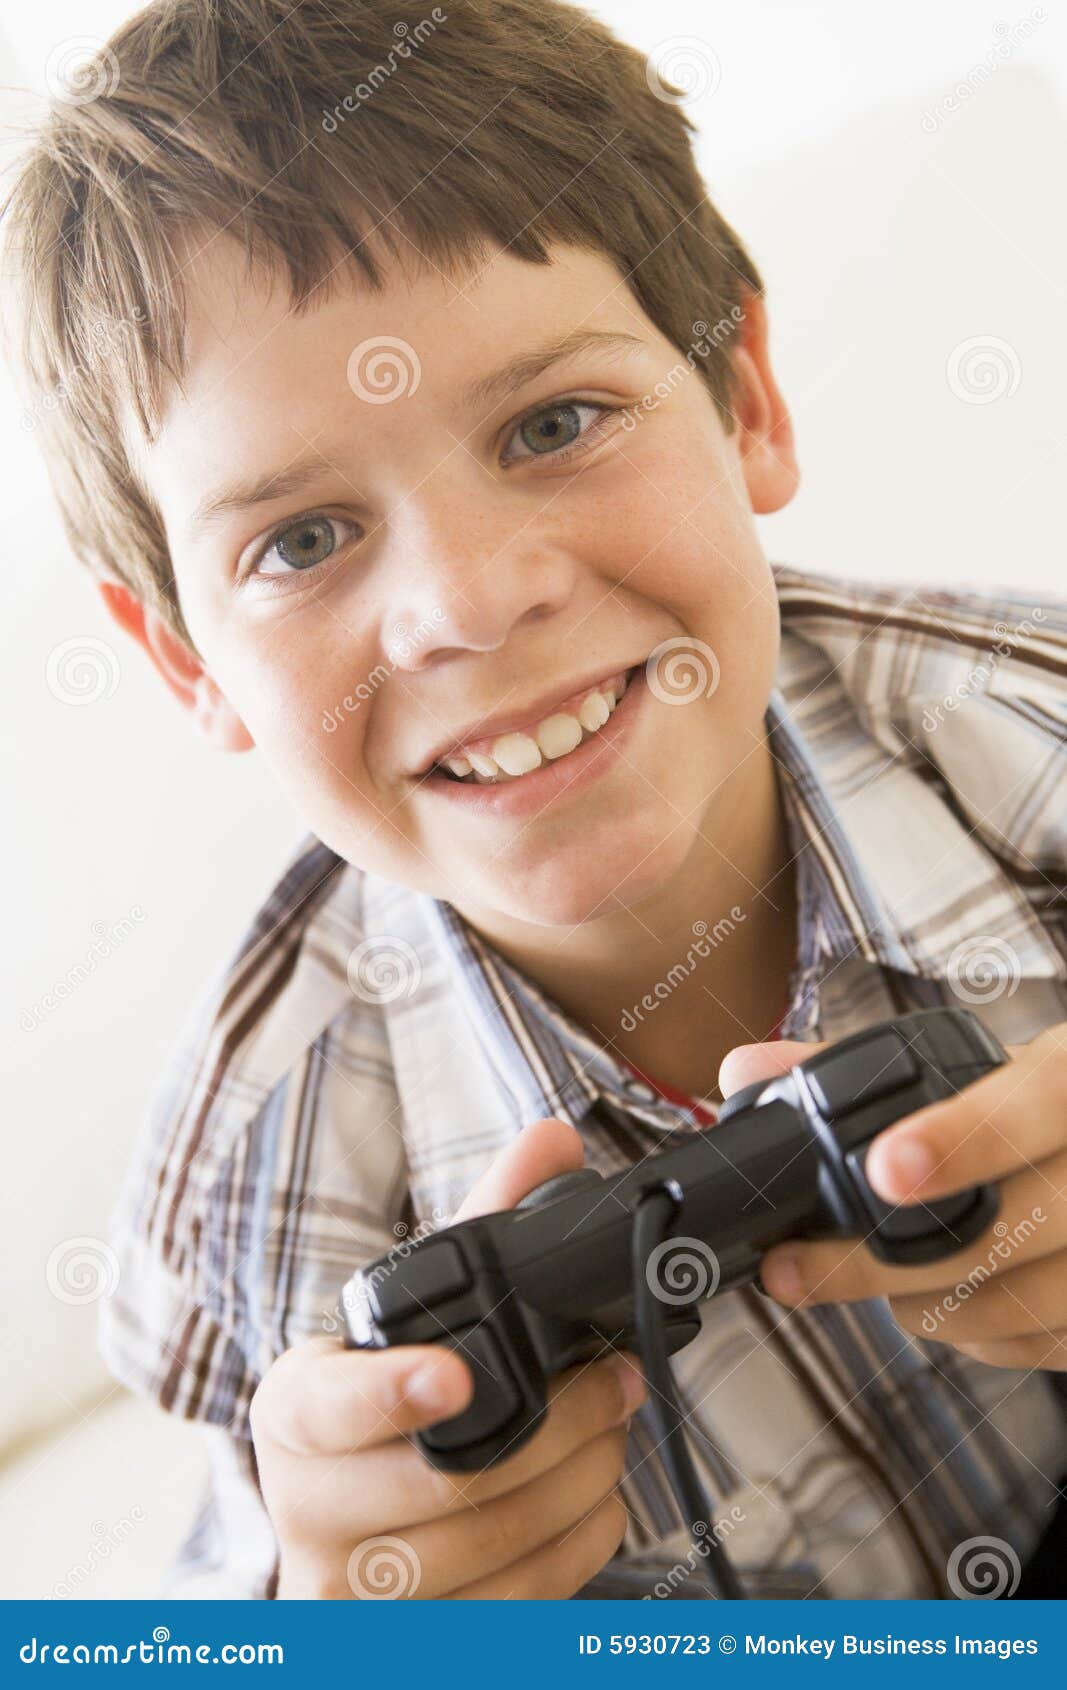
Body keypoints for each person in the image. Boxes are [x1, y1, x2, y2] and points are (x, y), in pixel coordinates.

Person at [5, 0, 1066, 1601]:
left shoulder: (1032, 736)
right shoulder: (260, 1163)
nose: (470, 602)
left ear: (746, 399)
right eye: (301, 540)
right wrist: (364, 1620)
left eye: (553, 424)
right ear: (183, 658)